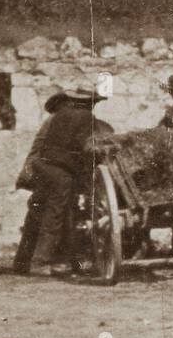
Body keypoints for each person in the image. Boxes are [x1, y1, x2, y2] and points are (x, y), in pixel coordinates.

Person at [13, 86, 112, 276]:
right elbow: (84, 148)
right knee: (55, 216)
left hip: (42, 167)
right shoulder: (86, 118)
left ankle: (22, 261)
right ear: (89, 103)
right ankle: (40, 263)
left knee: (36, 211)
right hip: (61, 173)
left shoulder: (58, 116)